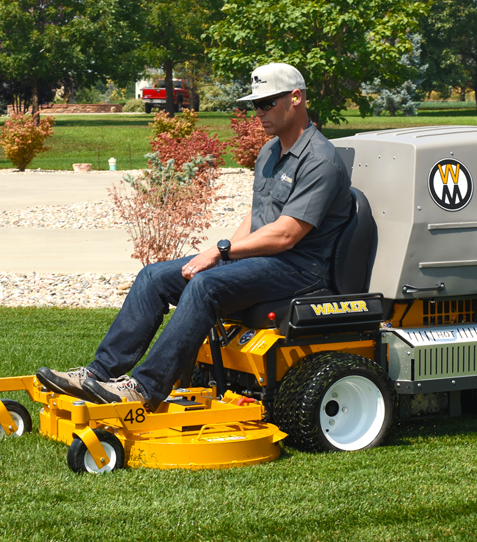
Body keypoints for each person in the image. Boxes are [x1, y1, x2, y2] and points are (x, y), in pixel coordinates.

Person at [38, 62, 355, 407]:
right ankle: (98, 375)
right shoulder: (270, 151)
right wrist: (226, 254)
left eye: (267, 103)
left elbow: (286, 234)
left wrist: (222, 253)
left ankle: (145, 389)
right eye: (254, 105)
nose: (259, 113)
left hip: (300, 270)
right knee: (154, 276)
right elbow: (257, 214)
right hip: (265, 262)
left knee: (204, 285)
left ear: (296, 98)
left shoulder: (320, 159)